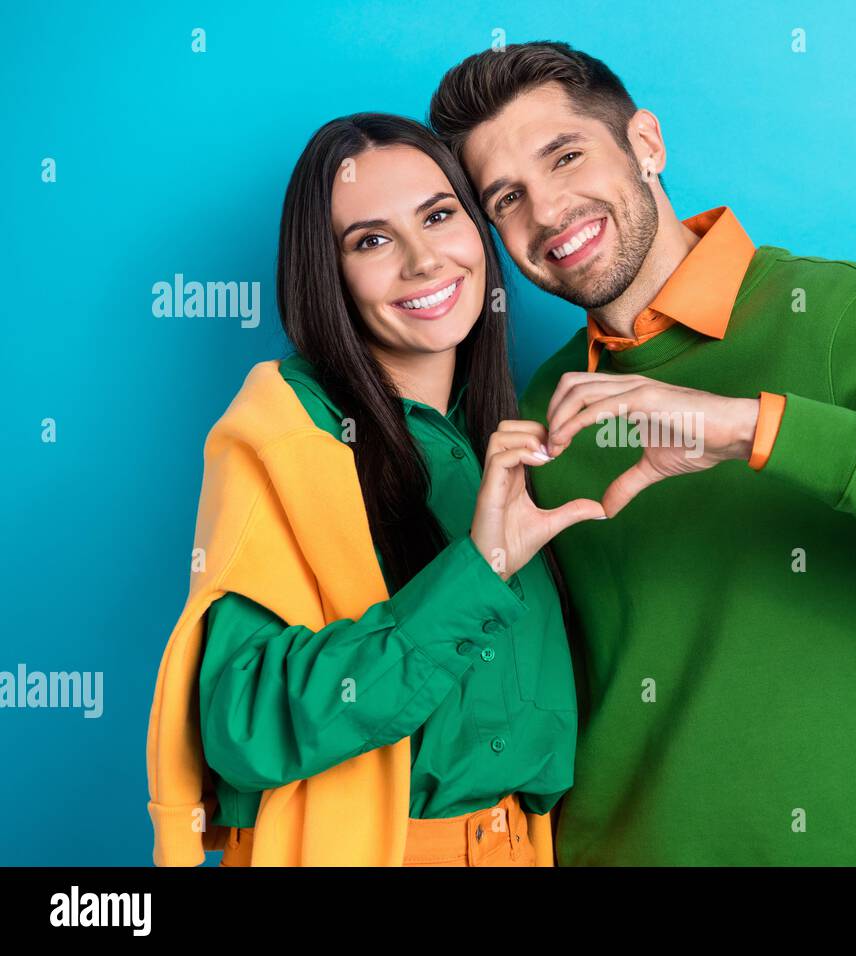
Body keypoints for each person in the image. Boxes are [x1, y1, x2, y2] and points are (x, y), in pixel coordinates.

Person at [428, 42, 856, 865]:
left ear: (646, 145)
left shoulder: (836, 316)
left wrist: (751, 428)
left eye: (567, 156)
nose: (546, 212)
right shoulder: (536, 413)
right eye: (506, 197)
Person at [144, 113, 603, 867]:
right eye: (372, 240)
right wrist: (476, 574)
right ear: (327, 274)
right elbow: (241, 722)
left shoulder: (509, 435)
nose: (424, 261)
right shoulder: (287, 433)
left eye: (439, 215)